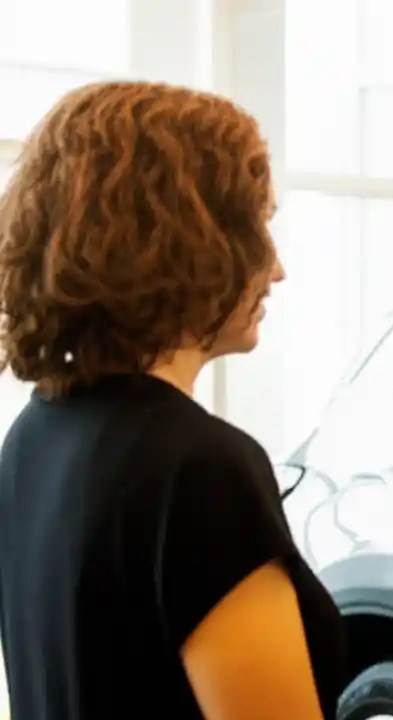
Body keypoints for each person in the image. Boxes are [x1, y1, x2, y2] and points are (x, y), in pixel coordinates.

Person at [0, 80, 344, 719]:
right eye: (258, 229)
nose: (276, 268)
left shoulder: (33, 437)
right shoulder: (199, 469)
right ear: (186, 238)